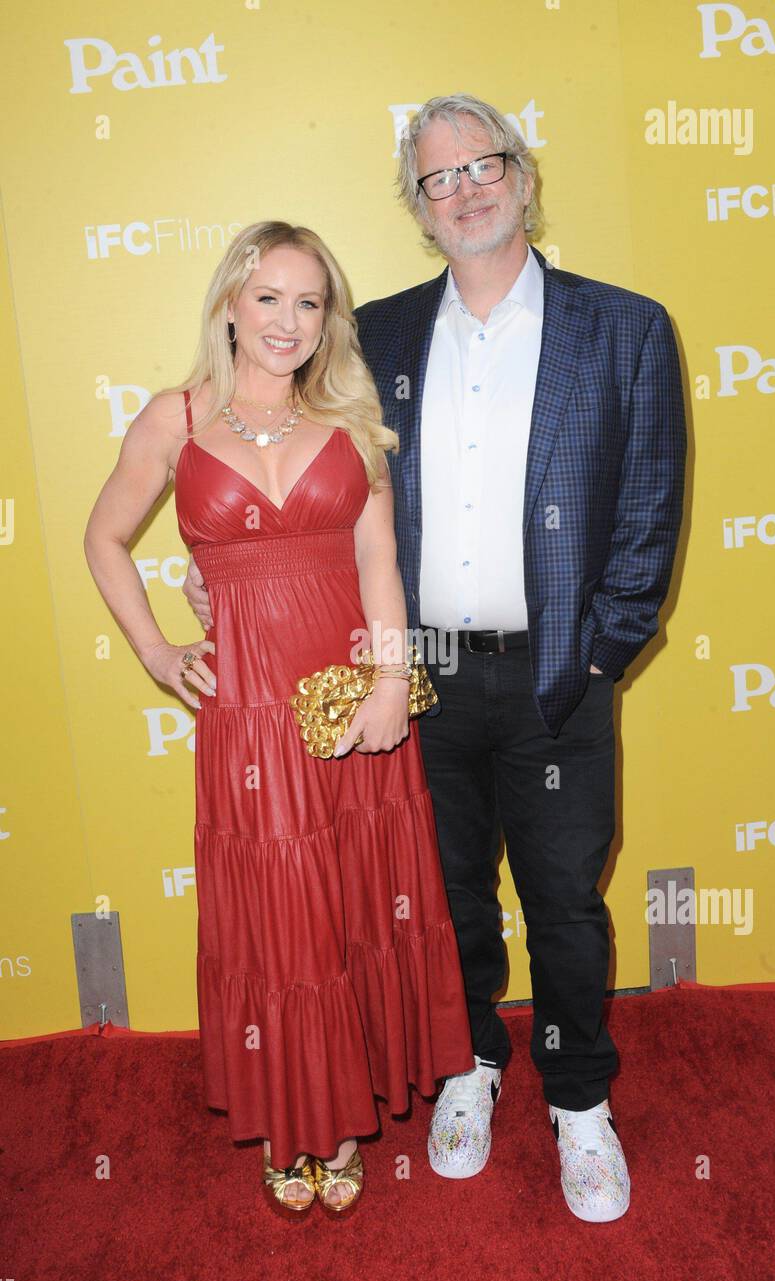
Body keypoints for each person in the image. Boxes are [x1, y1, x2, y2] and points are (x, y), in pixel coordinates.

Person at [184, 95, 687, 1223]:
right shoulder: (383, 336)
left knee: (561, 899)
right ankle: (469, 1065)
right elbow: (305, 489)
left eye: (480, 165)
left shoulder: (624, 327)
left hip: (557, 674)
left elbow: (648, 512)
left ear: (522, 174)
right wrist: (216, 571)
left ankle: (575, 1100)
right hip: (415, 679)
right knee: (444, 896)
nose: (461, 189)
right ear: (414, 208)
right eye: (435, 179)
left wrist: (596, 659)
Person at [84, 220, 475, 1219]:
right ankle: (294, 1122)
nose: (287, 321)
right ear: (229, 302)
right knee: (281, 918)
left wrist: (392, 685)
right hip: (249, 713)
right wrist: (159, 651)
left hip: (348, 693)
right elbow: (104, 536)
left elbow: (380, 560)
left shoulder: (349, 416)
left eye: (309, 303)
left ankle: (340, 1120)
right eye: (269, 297)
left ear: (327, 319)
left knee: (353, 901)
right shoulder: (174, 418)